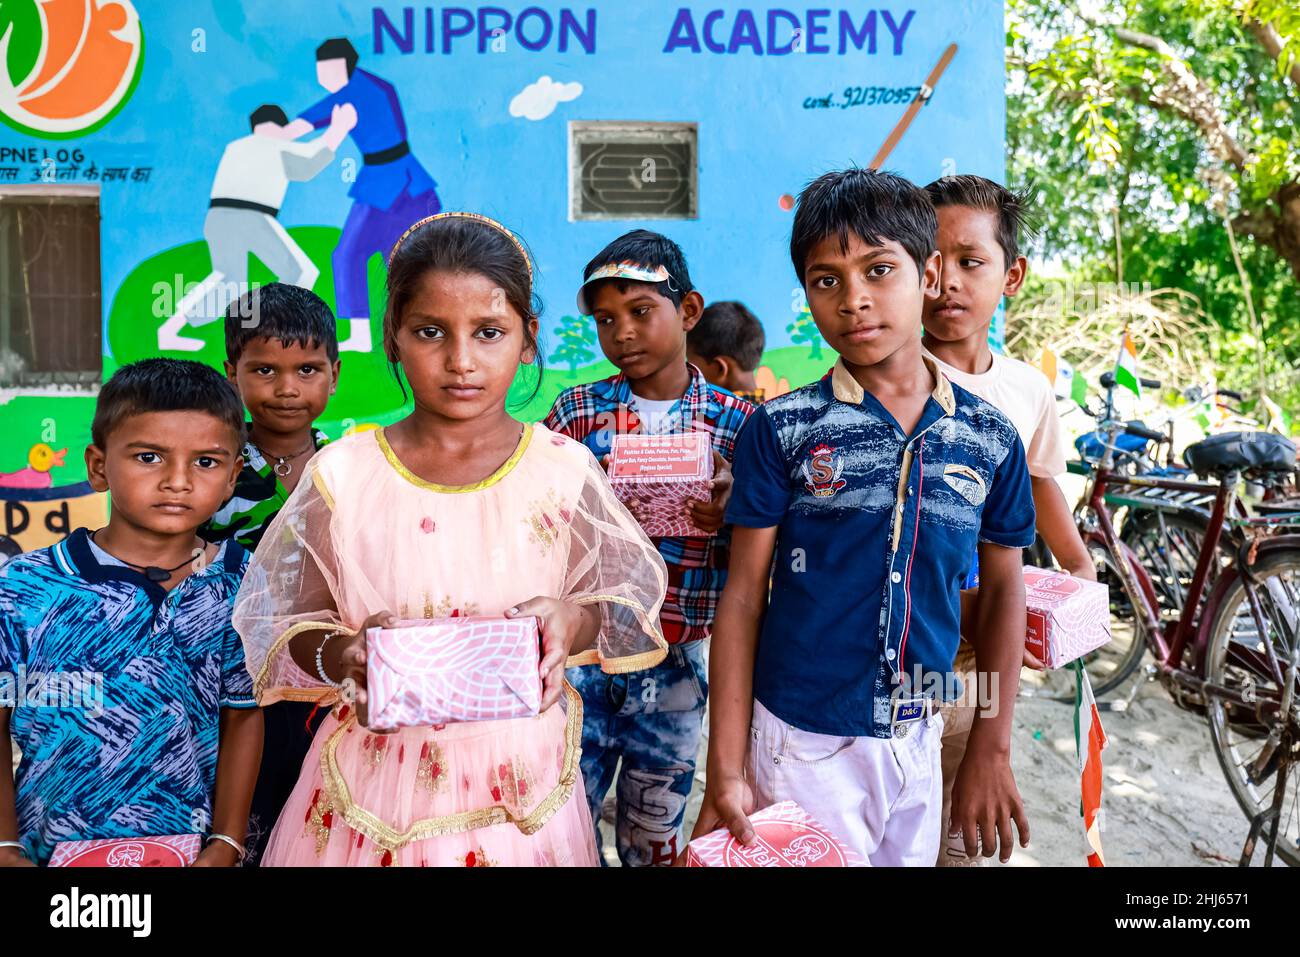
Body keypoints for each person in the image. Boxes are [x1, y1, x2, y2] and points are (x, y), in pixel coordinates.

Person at [232, 212, 668, 867]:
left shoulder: (562, 470)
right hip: (372, 798)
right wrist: (346, 652)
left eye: (488, 332)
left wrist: (567, 618)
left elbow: (612, 609)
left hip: (519, 796)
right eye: (430, 332)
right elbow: (290, 630)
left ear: (527, 340)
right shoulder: (345, 475)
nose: (460, 360)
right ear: (393, 339)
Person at [692, 168, 1036, 866]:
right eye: (825, 280)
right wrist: (725, 765)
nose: (853, 299)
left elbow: (1004, 591)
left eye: (879, 270)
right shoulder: (782, 430)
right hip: (801, 743)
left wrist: (990, 748)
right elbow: (740, 602)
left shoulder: (991, 438)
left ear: (929, 271)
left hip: (920, 731)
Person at [0, 359, 262, 867]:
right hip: (46, 855)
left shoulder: (242, 584)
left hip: (187, 853)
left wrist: (227, 843)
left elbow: (244, 715)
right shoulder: (24, 587)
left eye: (206, 462)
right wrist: (5, 846)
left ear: (232, 477)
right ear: (98, 466)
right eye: (149, 457)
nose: (178, 481)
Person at [545, 230, 753, 866]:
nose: (623, 333)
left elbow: (765, 537)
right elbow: (539, 521)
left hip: (679, 662)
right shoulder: (575, 415)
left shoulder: (736, 423)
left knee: (654, 830)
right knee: (563, 822)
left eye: (641, 312)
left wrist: (733, 504)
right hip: (586, 654)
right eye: (607, 320)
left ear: (688, 312)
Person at [920, 173, 1096, 866]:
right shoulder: (887, 376)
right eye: (928, 264)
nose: (946, 283)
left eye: (970, 261)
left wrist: (1078, 570)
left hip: (980, 649)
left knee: (961, 813)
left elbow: (1042, 477)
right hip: (905, 643)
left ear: (1011, 275)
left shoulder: (1025, 389)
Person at [202, 282, 341, 865]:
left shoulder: (352, 471)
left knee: (317, 828)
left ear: (334, 373)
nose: (287, 389)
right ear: (232, 371)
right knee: (239, 829)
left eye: (307, 369)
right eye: (264, 369)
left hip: (325, 690)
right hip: (226, 691)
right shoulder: (213, 471)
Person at [281, 37, 441, 353]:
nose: (322, 79)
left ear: (342, 66)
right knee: (397, 265)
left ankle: (375, 334)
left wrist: (275, 136)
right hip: (404, 186)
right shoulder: (373, 85)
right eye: (319, 72)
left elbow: (303, 125)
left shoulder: (355, 93)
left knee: (356, 256)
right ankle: (389, 335)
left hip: (392, 187)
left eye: (326, 71)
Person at [158, 102, 357, 352]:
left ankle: (169, 330)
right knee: (301, 272)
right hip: (251, 217)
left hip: (218, 217)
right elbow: (308, 163)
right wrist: (339, 128)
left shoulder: (237, 146)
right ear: (279, 127)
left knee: (227, 281)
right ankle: (279, 333)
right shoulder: (272, 144)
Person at [687, 300, 768, 404]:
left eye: (691, 367)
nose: (688, 375)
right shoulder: (768, 411)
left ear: (720, 368)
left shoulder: (713, 414)